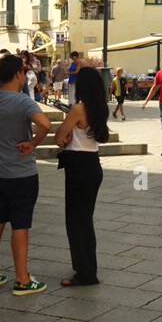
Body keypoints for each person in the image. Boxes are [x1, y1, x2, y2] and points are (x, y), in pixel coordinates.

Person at [0, 54, 52, 296]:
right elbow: (45, 124)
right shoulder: (23, 102)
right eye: (24, 72)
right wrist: (33, 144)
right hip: (21, 173)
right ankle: (22, 279)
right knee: (20, 224)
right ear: (18, 75)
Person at [53, 67, 109, 287]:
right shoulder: (101, 108)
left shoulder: (78, 109)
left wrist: (65, 137)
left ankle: (85, 272)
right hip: (93, 164)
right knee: (85, 220)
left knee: (75, 220)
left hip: (77, 166)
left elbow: (59, 137)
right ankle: (87, 266)